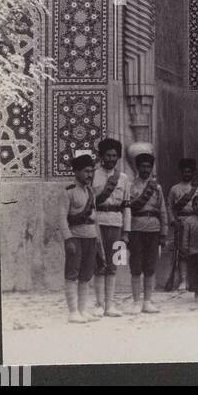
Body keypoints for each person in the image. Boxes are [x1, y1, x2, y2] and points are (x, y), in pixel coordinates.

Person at [125, 142, 168, 315]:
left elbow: (163, 210)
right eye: (142, 166)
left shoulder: (157, 188)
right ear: (137, 167)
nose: (145, 169)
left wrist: (164, 233)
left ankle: (147, 301)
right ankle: (136, 302)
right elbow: (126, 210)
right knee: (136, 266)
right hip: (136, 229)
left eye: (148, 167)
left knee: (150, 266)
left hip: (153, 230)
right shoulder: (130, 186)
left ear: (151, 168)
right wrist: (126, 233)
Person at [59, 152, 101, 323]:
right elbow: (61, 218)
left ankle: (83, 310)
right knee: (72, 273)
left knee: (86, 274)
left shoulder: (90, 192)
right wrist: (68, 239)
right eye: (86, 171)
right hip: (75, 237)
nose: (89, 175)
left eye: (91, 171)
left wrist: (97, 238)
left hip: (90, 237)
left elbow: (94, 217)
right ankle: (73, 311)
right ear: (76, 172)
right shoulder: (68, 192)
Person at [91, 137, 130, 318]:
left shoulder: (123, 178)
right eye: (108, 155)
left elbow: (126, 206)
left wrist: (127, 232)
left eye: (115, 155)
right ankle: (99, 304)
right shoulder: (93, 175)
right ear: (101, 156)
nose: (111, 159)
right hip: (97, 223)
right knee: (99, 263)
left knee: (114, 264)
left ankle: (110, 305)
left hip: (116, 224)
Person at [166, 158, 198, 295]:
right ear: (181, 172)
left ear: (193, 173)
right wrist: (173, 221)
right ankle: (183, 280)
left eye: (189, 172)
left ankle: (194, 281)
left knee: (196, 252)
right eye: (185, 172)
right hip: (182, 222)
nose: (187, 174)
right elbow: (169, 207)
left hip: (196, 223)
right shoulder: (174, 189)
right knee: (182, 252)